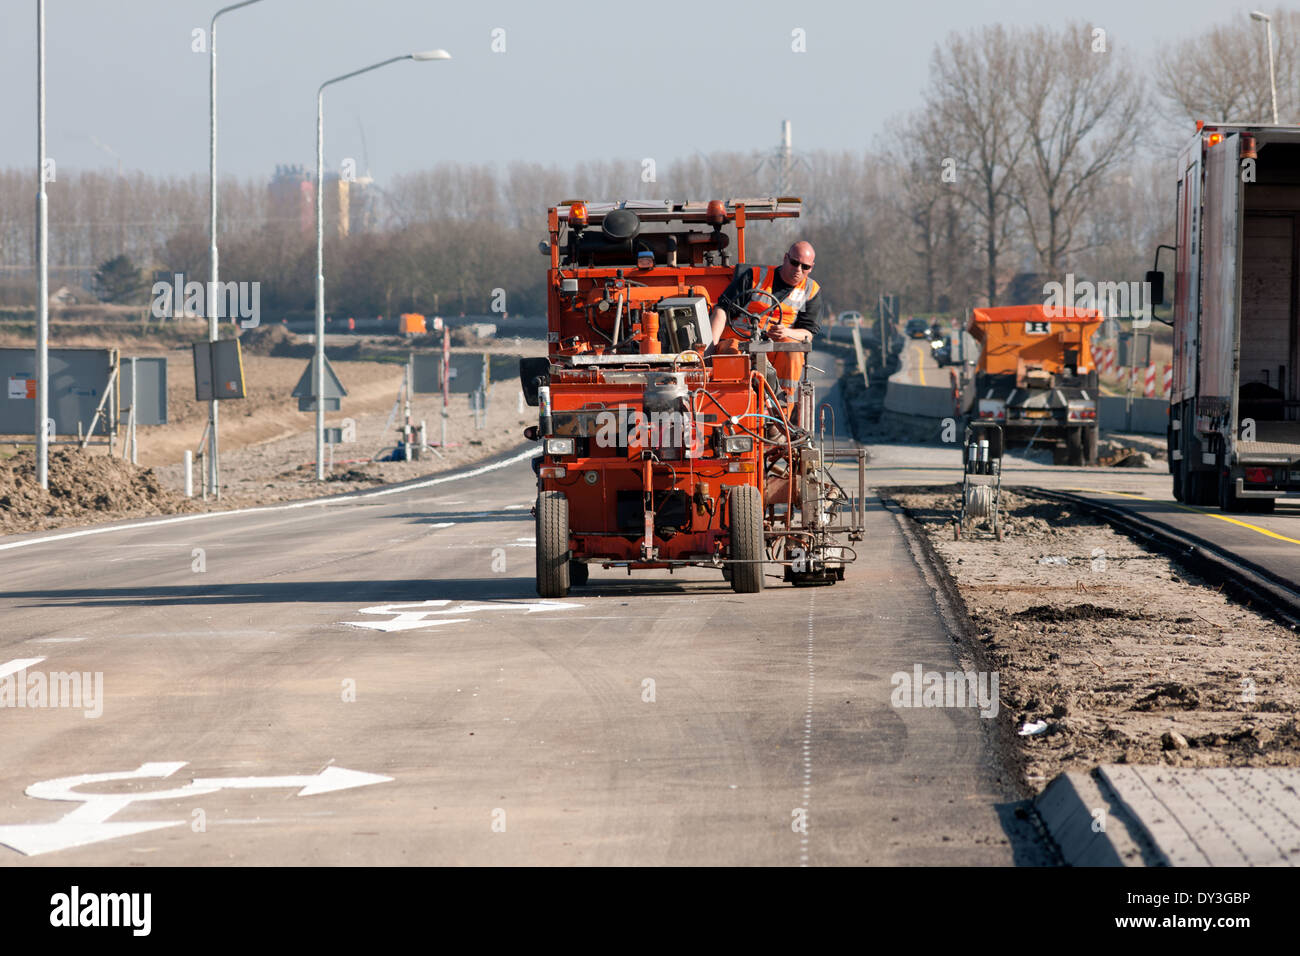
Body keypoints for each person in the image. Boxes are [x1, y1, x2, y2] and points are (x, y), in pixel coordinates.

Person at [707, 241, 823, 419]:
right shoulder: (754, 277)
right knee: (732, 355)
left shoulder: (811, 290)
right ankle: (733, 412)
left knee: (793, 351)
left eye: (805, 267)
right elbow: (722, 310)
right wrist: (709, 350)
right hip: (740, 343)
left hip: (775, 349)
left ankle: (780, 416)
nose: (798, 269)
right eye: (794, 263)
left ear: (811, 268)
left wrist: (787, 333)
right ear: (785, 258)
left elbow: (808, 333)